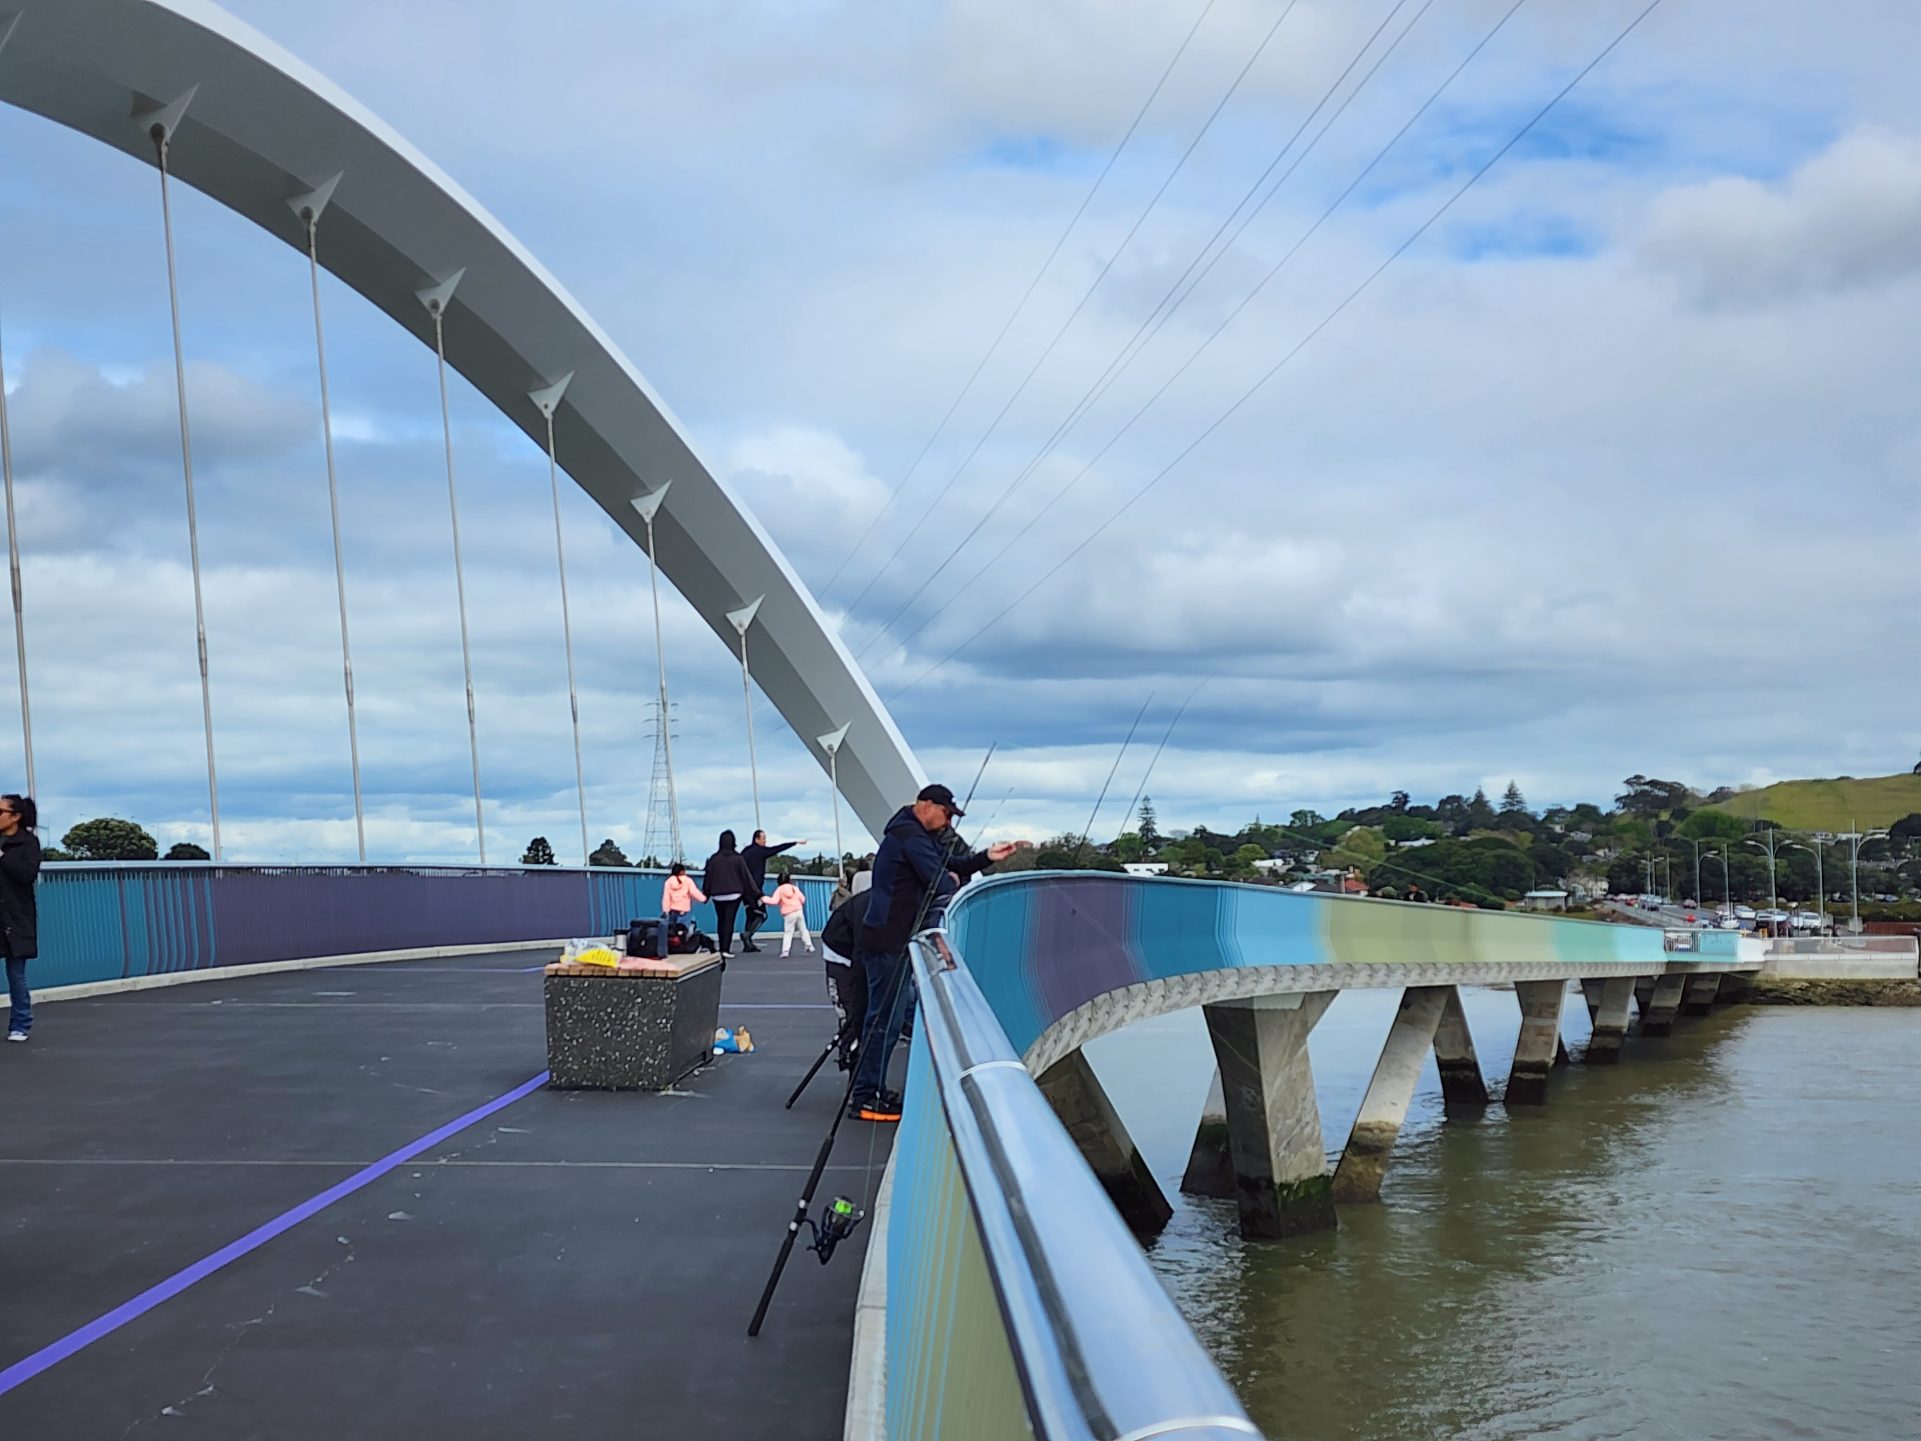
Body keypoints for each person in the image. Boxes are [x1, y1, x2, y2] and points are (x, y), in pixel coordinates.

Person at [847, 783, 1017, 1122]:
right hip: (889, 940)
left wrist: (986, 857)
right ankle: (866, 1097)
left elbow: (950, 865)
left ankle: (872, 1090)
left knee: (886, 1020)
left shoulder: (914, 836)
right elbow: (941, 881)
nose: (947, 822)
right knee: (884, 1022)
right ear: (925, 805)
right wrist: (950, 877)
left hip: (889, 939)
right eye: (945, 813)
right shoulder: (910, 837)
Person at [1, 794, 43, 1044]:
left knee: (16, 973)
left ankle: (20, 1024)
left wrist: (2, 857)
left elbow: (27, 874)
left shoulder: (28, 843)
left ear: (15, 816)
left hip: (16, 916)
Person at [819, 875, 871, 1070]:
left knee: (856, 1012)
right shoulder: (865, 906)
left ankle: (854, 1056)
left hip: (847, 948)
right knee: (850, 1014)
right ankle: (850, 1056)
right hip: (841, 953)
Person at [739, 829, 807, 953]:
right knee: (762, 914)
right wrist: (795, 842)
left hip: (744, 888)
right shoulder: (760, 851)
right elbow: (776, 849)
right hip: (755, 889)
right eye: (763, 838)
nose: (765, 841)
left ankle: (748, 944)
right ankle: (747, 935)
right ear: (757, 839)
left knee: (751, 913)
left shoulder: (745, 852)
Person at [701, 831, 757, 956]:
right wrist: (757, 893)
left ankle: (721, 948)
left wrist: (706, 894)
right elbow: (746, 877)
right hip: (734, 894)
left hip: (717, 895)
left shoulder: (714, 859)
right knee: (729, 922)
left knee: (720, 921)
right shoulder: (738, 858)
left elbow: (708, 877)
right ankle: (725, 949)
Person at [660, 860, 704, 955]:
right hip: (684, 910)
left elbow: (666, 897)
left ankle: (674, 948)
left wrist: (665, 910)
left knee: (672, 931)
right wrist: (703, 899)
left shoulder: (668, 882)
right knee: (684, 930)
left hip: (672, 911)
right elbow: (694, 892)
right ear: (682, 871)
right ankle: (685, 947)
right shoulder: (687, 881)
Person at [770, 870, 813, 958]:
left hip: (788, 913)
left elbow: (774, 901)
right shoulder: (794, 888)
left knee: (788, 932)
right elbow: (803, 899)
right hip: (798, 911)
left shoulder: (779, 889)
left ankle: (786, 951)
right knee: (803, 929)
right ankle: (809, 945)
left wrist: (763, 898)